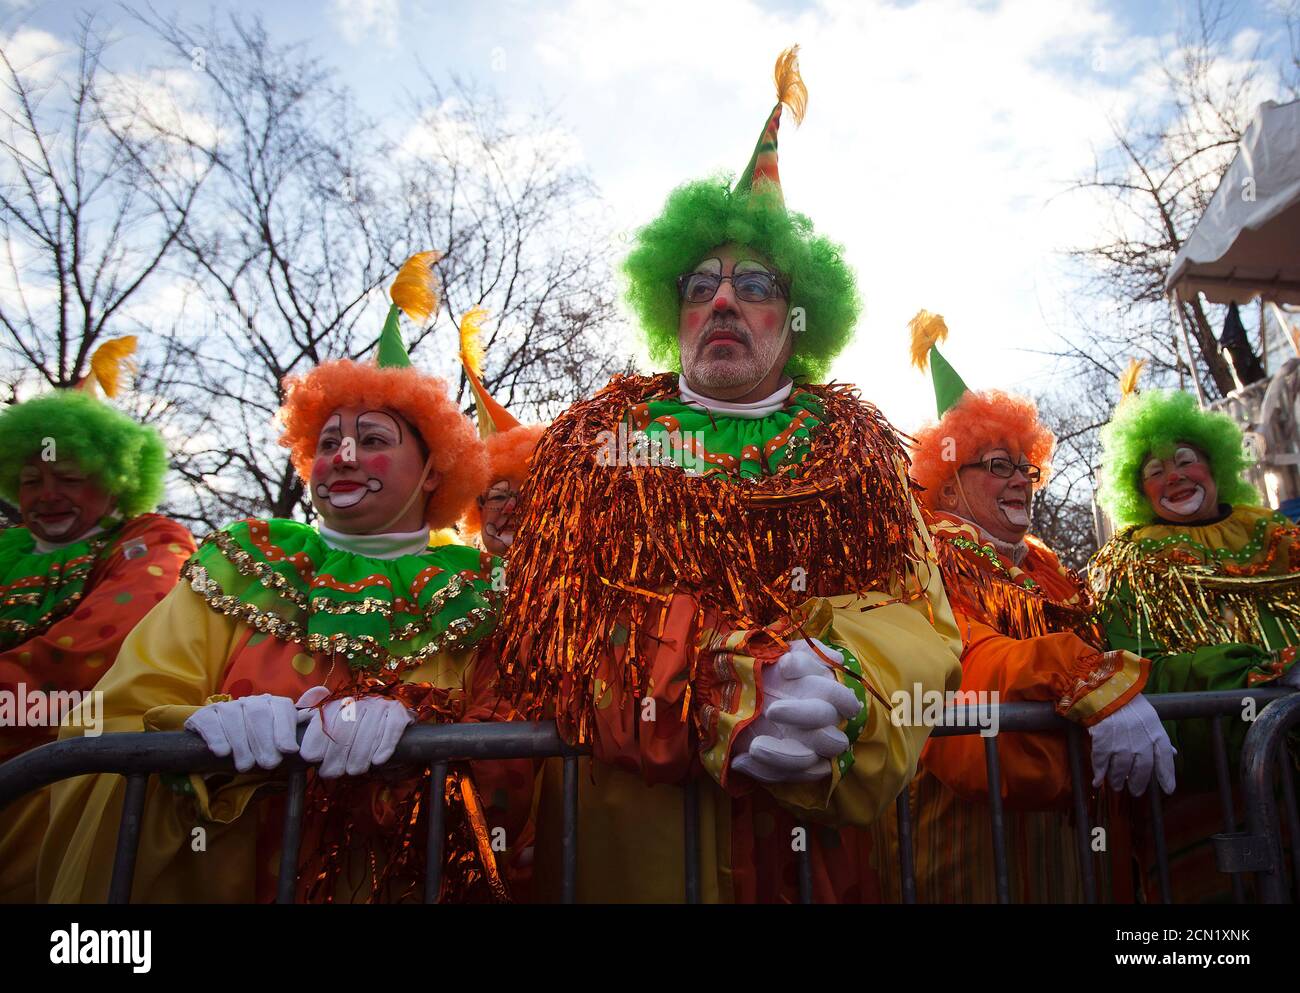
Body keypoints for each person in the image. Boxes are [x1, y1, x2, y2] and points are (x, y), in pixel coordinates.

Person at [494, 47, 963, 903]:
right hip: (631, 844)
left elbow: (924, 624)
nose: (721, 300)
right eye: (700, 282)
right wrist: (715, 684)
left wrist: (840, 681)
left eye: (754, 283)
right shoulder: (598, 438)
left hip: (820, 847)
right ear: (670, 306)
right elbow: (545, 632)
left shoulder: (858, 449)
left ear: (795, 314)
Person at [40, 254, 526, 903]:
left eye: (373, 438)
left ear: (435, 470)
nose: (344, 455)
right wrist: (196, 735)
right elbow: (108, 723)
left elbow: (521, 746)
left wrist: (425, 734)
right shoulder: (243, 563)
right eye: (327, 443)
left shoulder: (482, 590)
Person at [869, 313, 1172, 903]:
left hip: (1072, 854)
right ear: (948, 482)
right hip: (964, 852)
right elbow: (960, 662)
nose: (1020, 482)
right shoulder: (925, 554)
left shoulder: (1046, 570)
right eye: (997, 466)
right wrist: (1085, 678)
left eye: (1024, 467)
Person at [0, 340, 196, 902]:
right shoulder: (6, 549)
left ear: (114, 479)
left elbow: (98, 646)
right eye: (32, 480)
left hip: (60, 782)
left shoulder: (150, 541)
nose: (47, 496)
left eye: (68, 477)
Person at [1092, 375, 1300, 900]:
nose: (1175, 477)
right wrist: (1264, 681)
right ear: (1139, 492)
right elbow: (1141, 670)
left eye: (1185, 459)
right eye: (1156, 472)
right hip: (1211, 805)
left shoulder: (1282, 535)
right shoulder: (1129, 561)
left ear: (1215, 465)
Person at [457, 308, 546, 556]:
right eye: (497, 498)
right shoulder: (449, 585)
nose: (510, 507)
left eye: (530, 495)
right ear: (477, 511)